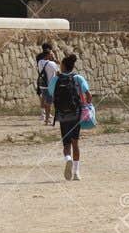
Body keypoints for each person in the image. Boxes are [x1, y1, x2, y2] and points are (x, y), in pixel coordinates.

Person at [53, 53, 91, 181]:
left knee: (66, 144)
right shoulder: (78, 78)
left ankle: (67, 159)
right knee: (75, 143)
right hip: (76, 114)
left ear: (63, 66)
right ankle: (76, 173)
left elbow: (51, 93)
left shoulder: (56, 79)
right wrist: (86, 105)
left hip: (63, 115)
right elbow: (88, 95)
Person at [36, 43, 60, 126]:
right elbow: (58, 72)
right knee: (49, 103)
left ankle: (44, 116)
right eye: (51, 54)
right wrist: (54, 58)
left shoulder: (40, 62)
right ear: (49, 54)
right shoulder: (52, 64)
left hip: (42, 84)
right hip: (50, 85)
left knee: (45, 99)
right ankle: (47, 119)